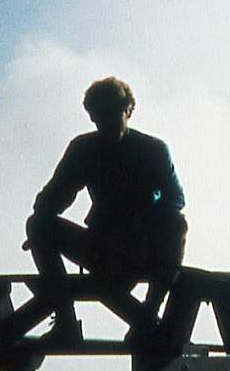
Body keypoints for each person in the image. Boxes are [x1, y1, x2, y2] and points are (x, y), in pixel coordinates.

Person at [25, 77, 188, 346]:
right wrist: (43, 216)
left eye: (111, 114)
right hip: (101, 248)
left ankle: (148, 314)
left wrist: (142, 222)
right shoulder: (83, 148)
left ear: (128, 110)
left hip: (142, 249)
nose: (105, 123)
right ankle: (66, 321)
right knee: (39, 225)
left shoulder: (153, 150)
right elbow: (59, 193)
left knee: (176, 224)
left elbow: (175, 200)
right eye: (99, 117)